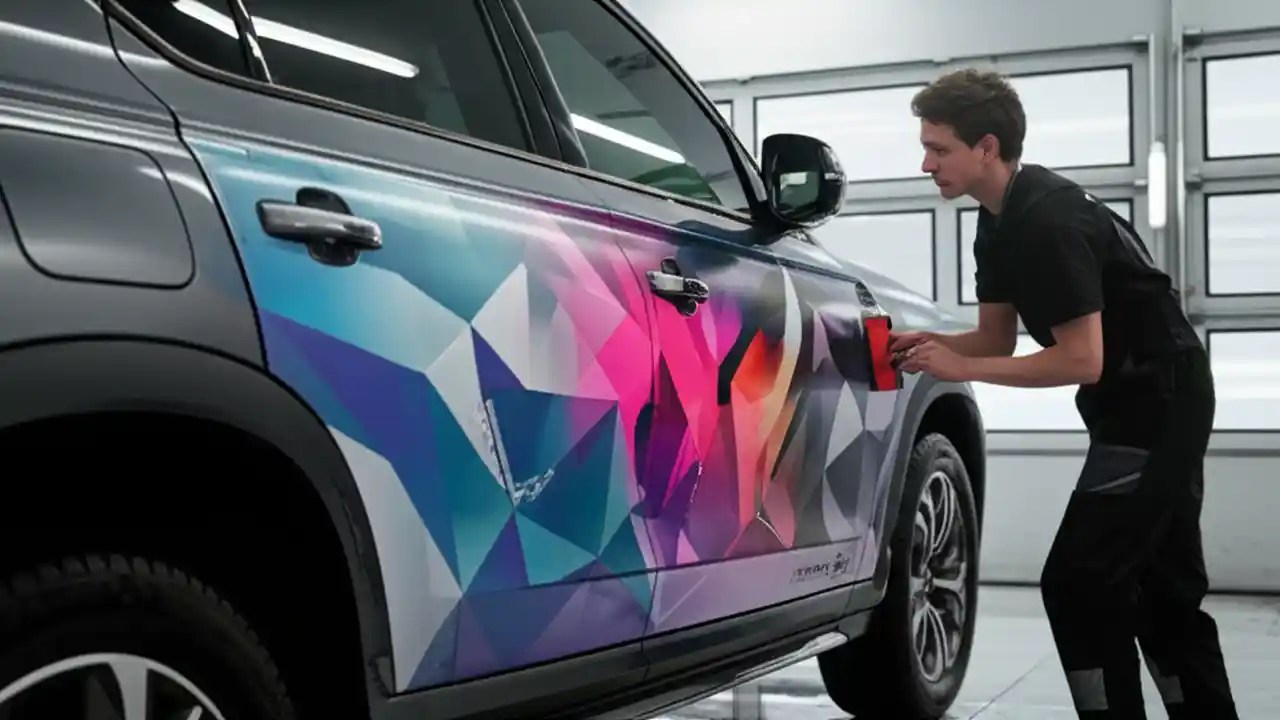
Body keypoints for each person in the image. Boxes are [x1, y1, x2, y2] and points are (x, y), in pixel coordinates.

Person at [889, 68, 1240, 719]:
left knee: (1080, 582)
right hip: (1133, 404)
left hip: (1159, 405)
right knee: (1162, 592)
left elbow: (1082, 359)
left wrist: (953, 368)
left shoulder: (1047, 222)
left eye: (938, 148)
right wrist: (928, 344)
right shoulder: (996, 221)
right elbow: (994, 340)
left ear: (986, 148)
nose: (924, 162)